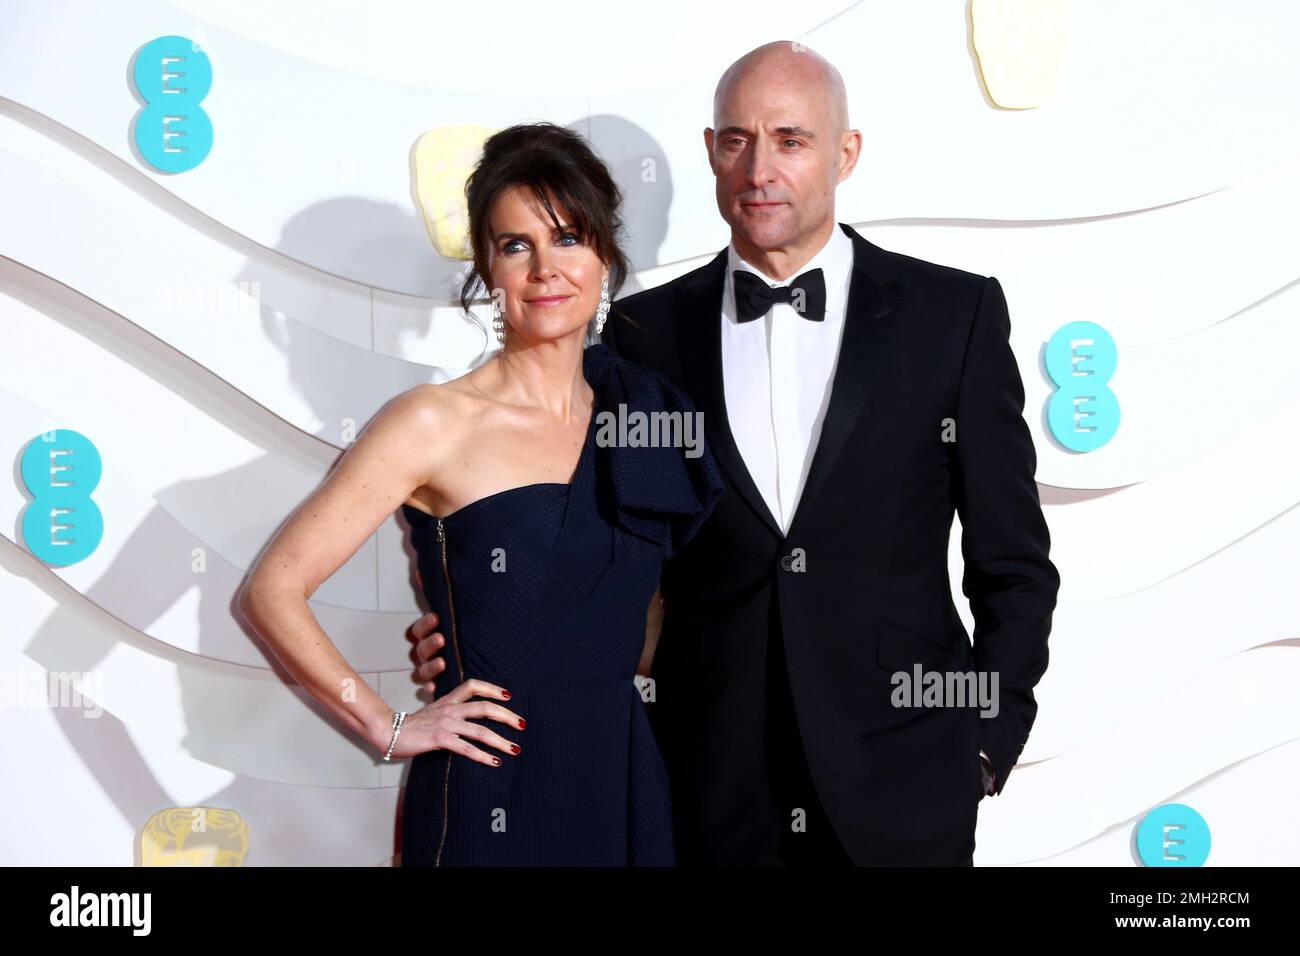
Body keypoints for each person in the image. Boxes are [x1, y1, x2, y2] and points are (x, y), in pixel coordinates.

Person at [416, 41, 1062, 867]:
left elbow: (1013, 562)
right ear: (711, 152)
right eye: (736, 140)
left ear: (846, 153)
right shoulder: (645, 335)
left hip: (905, 782)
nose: (759, 168)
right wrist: (481, 620)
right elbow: (610, 551)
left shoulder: (952, 316)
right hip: (707, 781)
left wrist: (982, 739)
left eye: (790, 140)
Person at [238, 122, 722, 866]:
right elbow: (271, 589)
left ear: (604, 255)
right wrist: (389, 727)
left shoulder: (642, 414)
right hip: (491, 791)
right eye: (515, 245)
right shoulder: (433, 421)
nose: (545, 270)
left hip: (620, 779)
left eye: (568, 237)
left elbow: (645, 614)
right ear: (487, 268)